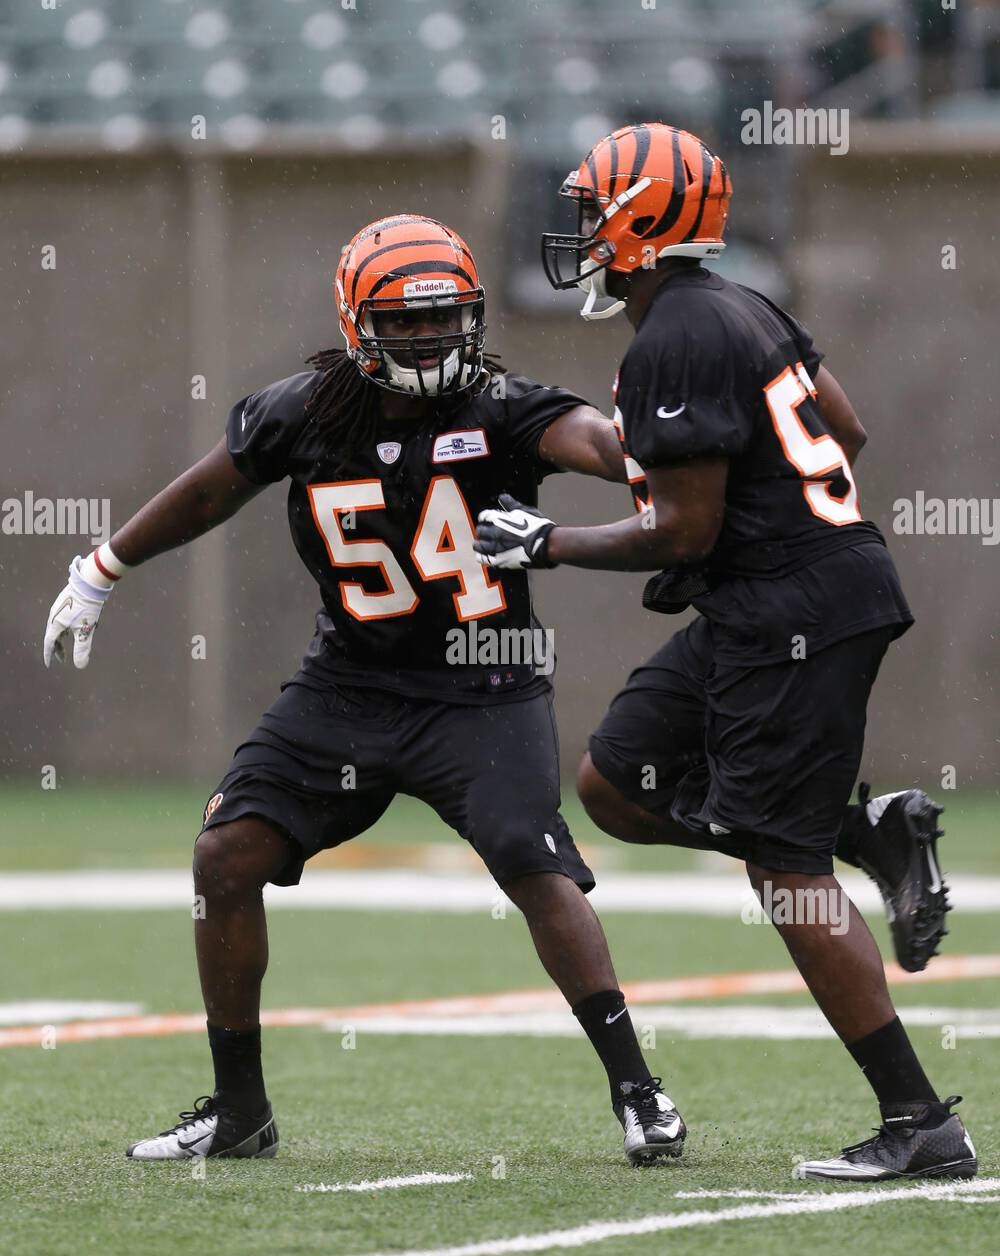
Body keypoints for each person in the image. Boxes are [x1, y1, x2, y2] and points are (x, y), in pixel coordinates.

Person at [42, 213, 685, 1167]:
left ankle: (639, 1092)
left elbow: (596, 437)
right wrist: (103, 566)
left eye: (445, 318)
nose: (429, 337)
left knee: (534, 863)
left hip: (483, 682)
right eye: (405, 320)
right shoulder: (303, 412)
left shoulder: (503, 407)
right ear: (357, 323)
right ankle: (240, 1111)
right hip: (348, 684)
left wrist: (656, 457)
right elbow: (212, 489)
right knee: (224, 858)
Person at [475, 125, 974, 1183]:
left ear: (643, 222)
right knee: (616, 781)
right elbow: (846, 431)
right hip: (779, 599)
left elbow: (680, 534)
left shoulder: (678, 334)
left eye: (596, 209)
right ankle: (865, 831)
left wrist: (546, 540)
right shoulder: (738, 305)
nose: (580, 232)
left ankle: (918, 1117)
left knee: (780, 867)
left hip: (791, 606)